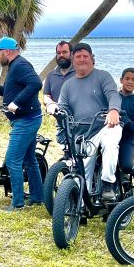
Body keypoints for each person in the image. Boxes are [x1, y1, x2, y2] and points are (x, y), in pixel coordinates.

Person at [50, 42, 122, 201]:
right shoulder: (68, 85)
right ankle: (80, 207)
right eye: (78, 56)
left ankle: (107, 184)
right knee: (81, 175)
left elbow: (113, 95)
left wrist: (113, 110)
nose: (82, 59)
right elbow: (63, 108)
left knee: (111, 142)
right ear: (73, 61)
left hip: (105, 126)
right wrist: (55, 111)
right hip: (83, 135)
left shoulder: (103, 76)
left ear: (92, 59)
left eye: (85, 56)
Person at [0, 36, 44, 212]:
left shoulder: (20, 65)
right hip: (29, 118)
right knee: (30, 160)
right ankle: (38, 197)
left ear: (7, 51)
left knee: (12, 160)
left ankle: (17, 203)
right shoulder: (14, 66)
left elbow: (36, 83)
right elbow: (11, 91)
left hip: (26, 121)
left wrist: (16, 103)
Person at [118, 67, 134, 174]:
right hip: (109, 135)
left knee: (126, 167)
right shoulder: (113, 96)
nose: (130, 82)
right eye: (127, 78)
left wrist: (124, 117)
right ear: (121, 80)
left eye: (133, 80)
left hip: (127, 138)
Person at [42, 40, 76, 108]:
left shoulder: (80, 73)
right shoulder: (51, 76)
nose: (61, 55)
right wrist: (50, 103)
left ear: (71, 54)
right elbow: (46, 96)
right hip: (60, 116)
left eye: (64, 52)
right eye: (58, 53)